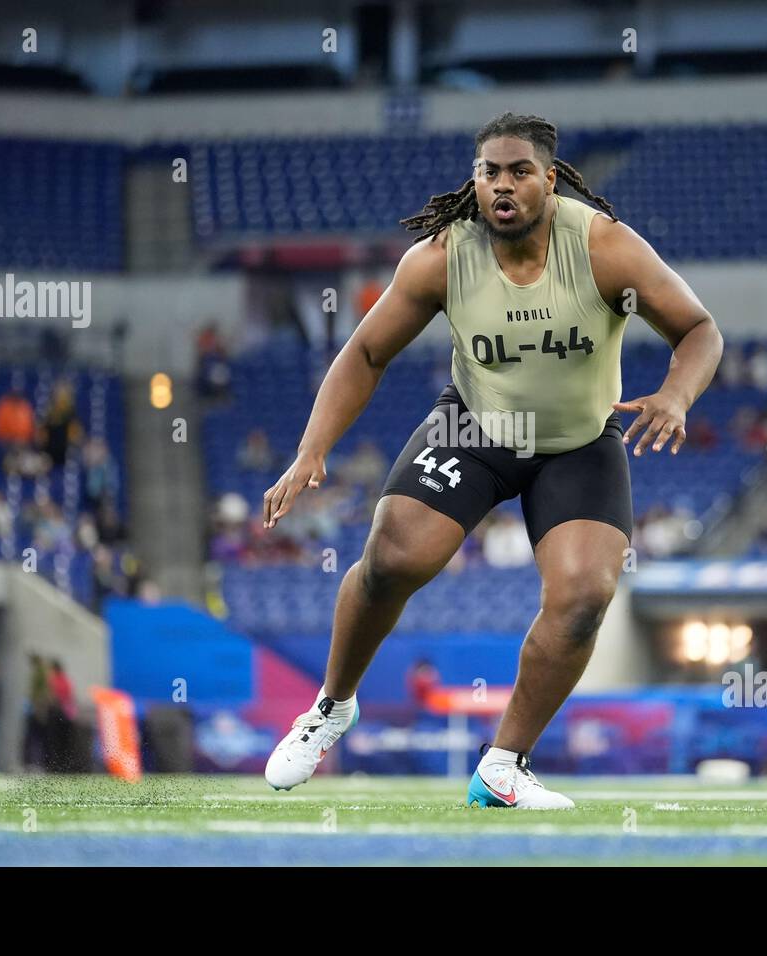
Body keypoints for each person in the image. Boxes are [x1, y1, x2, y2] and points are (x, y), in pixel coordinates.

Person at [260, 112, 723, 808]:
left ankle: (502, 766)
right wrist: (311, 451)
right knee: (392, 557)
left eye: (519, 171)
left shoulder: (604, 247)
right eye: (489, 172)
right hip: (476, 428)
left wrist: (678, 396)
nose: (503, 185)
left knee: (585, 598)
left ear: (550, 179)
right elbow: (364, 352)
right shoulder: (442, 257)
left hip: (577, 442)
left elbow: (699, 329)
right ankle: (332, 706)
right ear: (474, 182)